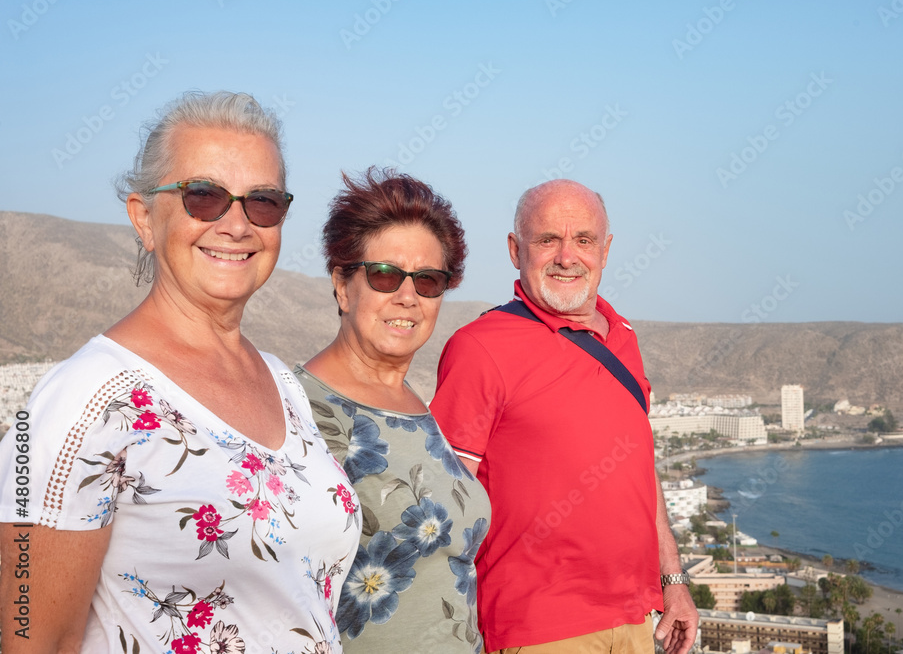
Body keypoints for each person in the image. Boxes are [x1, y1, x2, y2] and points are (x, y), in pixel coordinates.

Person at [0, 91, 360, 653]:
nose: (237, 224)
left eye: (262, 202)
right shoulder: (84, 400)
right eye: (204, 196)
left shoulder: (281, 384)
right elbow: (30, 638)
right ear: (144, 217)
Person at [430, 179, 700, 654]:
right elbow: (443, 507)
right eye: (547, 240)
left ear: (606, 250)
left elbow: (641, 469)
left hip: (638, 620)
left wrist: (673, 581)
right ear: (516, 250)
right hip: (537, 629)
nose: (567, 257)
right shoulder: (479, 348)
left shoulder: (623, 337)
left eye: (583, 240)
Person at [294, 167, 490, 653]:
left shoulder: (417, 407)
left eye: (428, 280)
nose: (407, 296)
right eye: (384, 275)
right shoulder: (297, 410)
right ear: (342, 284)